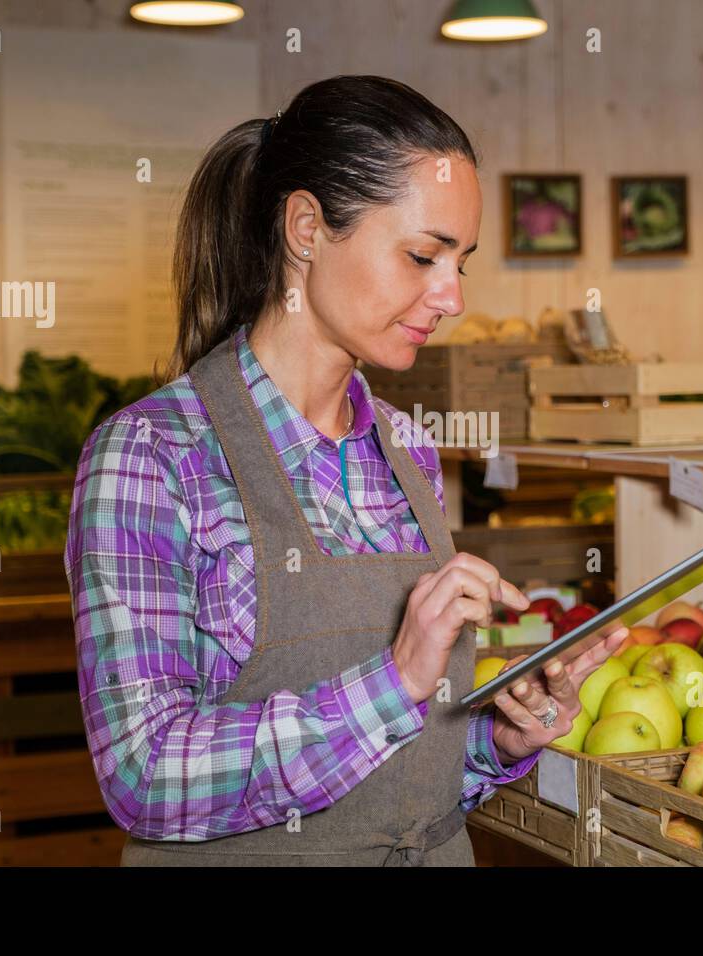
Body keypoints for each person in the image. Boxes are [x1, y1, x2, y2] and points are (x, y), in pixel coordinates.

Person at [65, 74, 626, 867]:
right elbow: (145, 776)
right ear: (305, 228)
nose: (452, 295)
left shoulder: (407, 449)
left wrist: (494, 740)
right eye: (423, 255)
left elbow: (404, 774)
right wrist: (395, 681)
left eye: (461, 262)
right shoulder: (153, 457)